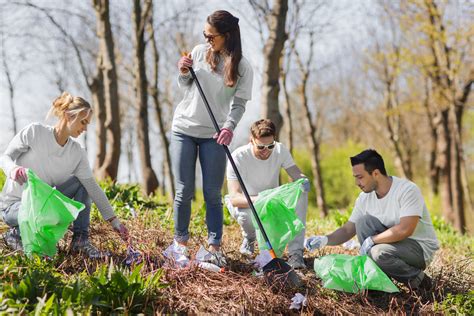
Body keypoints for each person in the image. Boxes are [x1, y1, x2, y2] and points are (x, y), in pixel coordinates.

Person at [0, 92, 129, 258]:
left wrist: (115, 222)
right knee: (40, 212)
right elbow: (6, 157)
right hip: (14, 206)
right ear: (68, 116)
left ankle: (80, 242)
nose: (85, 128)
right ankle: (15, 234)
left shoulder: (76, 153)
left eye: (87, 124)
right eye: (83, 122)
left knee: (82, 183)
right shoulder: (35, 133)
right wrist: (12, 169)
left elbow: (93, 188)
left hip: (43, 206)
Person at [171, 10, 253, 266]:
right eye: (204, 35)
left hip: (214, 135)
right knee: (184, 191)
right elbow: (184, 86)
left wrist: (229, 127)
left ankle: (214, 247)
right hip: (184, 128)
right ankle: (179, 244)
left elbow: (239, 105)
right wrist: (184, 72)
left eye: (211, 36)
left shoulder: (242, 67)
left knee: (212, 194)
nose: (206, 40)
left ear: (226, 36)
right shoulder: (198, 52)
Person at [305, 149, 439, 289]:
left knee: (377, 253)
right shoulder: (365, 198)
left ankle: (421, 282)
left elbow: (405, 229)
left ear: (375, 173)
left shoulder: (407, 190)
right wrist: (324, 240)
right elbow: (347, 229)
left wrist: (373, 240)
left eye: (360, 177)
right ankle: (379, 280)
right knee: (363, 222)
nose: (357, 182)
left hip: (418, 248)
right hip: (392, 244)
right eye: (355, 177)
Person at [226, 119, 309, 269]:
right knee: (245, 216)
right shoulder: (238, 157)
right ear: (251, 140)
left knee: (301, 192)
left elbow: (296, 174)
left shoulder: (279, 150)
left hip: (272, 202)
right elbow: (234, 198)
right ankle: (250, 238)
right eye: (261, 146)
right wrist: (263, 199)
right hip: (250, 203)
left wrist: (303, 180)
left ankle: (296, 253)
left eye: (270, 145)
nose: (266, 150)